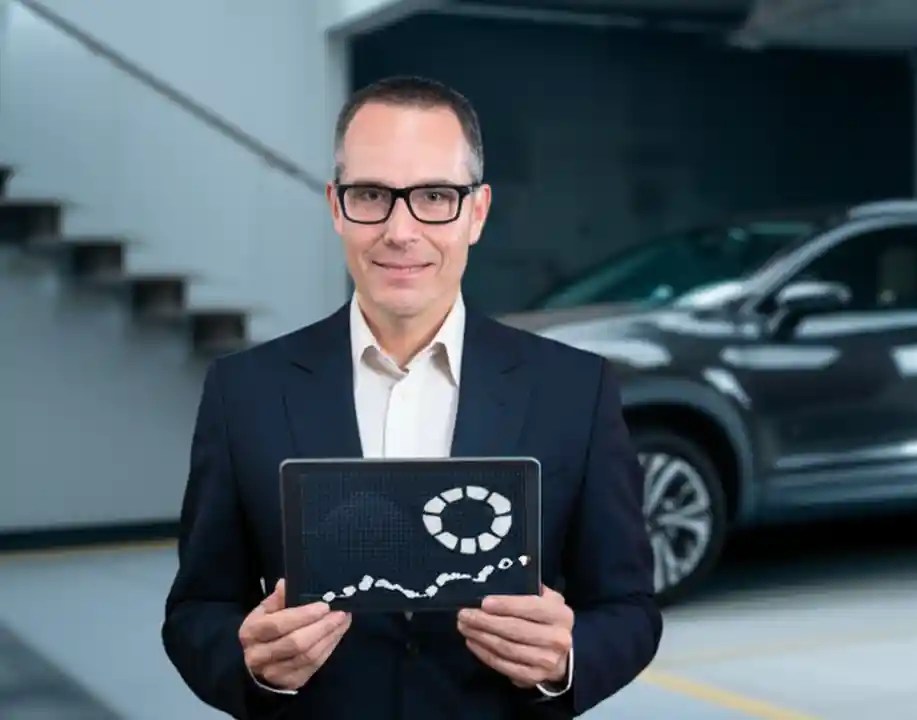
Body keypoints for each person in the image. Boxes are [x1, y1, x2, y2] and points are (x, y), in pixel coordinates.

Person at [161, 75, 661, 719]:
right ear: (337, 206)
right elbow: (196, 610)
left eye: (434, 196)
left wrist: (566, 661)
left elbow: (629, 610)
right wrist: (251, 666)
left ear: (476, 212)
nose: (401, 230)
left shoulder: (575, 390)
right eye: (372, 194)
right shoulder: (244, 392)